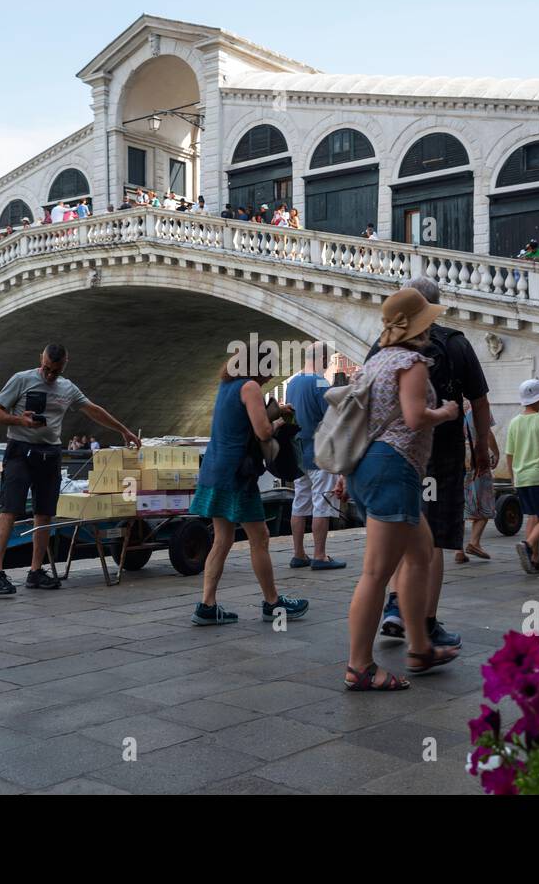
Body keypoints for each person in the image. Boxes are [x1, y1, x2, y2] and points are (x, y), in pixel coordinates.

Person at [338, 288, 461, 690]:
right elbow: (413, 417)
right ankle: (360, 666)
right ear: (419, 324)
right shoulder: (412, 362)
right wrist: (445, 411)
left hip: (368, 465)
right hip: (395, 466)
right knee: (376, 572)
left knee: (421, 552)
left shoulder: (376, 362)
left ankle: (420, 646)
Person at [372, 277, 491, 649]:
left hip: (392, 454)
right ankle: (426, 619)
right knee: (434, 538)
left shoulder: (382, 344)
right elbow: (480, 401)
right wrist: (483, 447)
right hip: (441, 454)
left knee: (399, 529)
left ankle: (394, 606)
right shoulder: (455, 344)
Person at [0, 345, 141, 595]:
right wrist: (20, 420)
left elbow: (94, 410)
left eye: (55, 371)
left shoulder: (68, 388)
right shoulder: (21, 379)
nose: (49, 375)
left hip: (50, 453)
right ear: (40, 360)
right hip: (20, 451)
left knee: (44, 513)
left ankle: (36, 571)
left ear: (65, 364)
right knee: (10, 509)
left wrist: (123, 430)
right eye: (46, 369)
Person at [189, 358, 309, 626]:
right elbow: (263, 432)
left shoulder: (228, 385)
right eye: (270, 369)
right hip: (237, 475)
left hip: (215, 469)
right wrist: (278, 424)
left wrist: (275, 411)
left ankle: (207, 605)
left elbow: (241, 422)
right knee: (260, 538)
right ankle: (272, 603)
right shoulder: (250, 387)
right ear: (258, 366)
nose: (272, 375)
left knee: (222, 540)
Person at [286, 342, 346, 571]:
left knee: (300, 502)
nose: (328, 364)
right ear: (321, 359)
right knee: (322, 502)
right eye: (328, 360)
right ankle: (320, 555)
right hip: (320, 452)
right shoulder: (320, 382)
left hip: (298, 452)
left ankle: (298, 554)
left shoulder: (293, 383)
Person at [503, 379, 539, 573]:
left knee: (532, 516)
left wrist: (512, 478)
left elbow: (509, 454)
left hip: (521, 477)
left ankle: (535, 558)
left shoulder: (514, 423)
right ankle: (528, 544)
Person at [457, 397, 499, 563]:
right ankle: (474, 542)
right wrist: (495, 452)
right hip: (476, 455)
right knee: (484, 499)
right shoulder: (479, 403)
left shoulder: (451, 401)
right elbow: (486, 431)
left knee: (460, 502)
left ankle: (458, 550)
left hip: (456, 455)